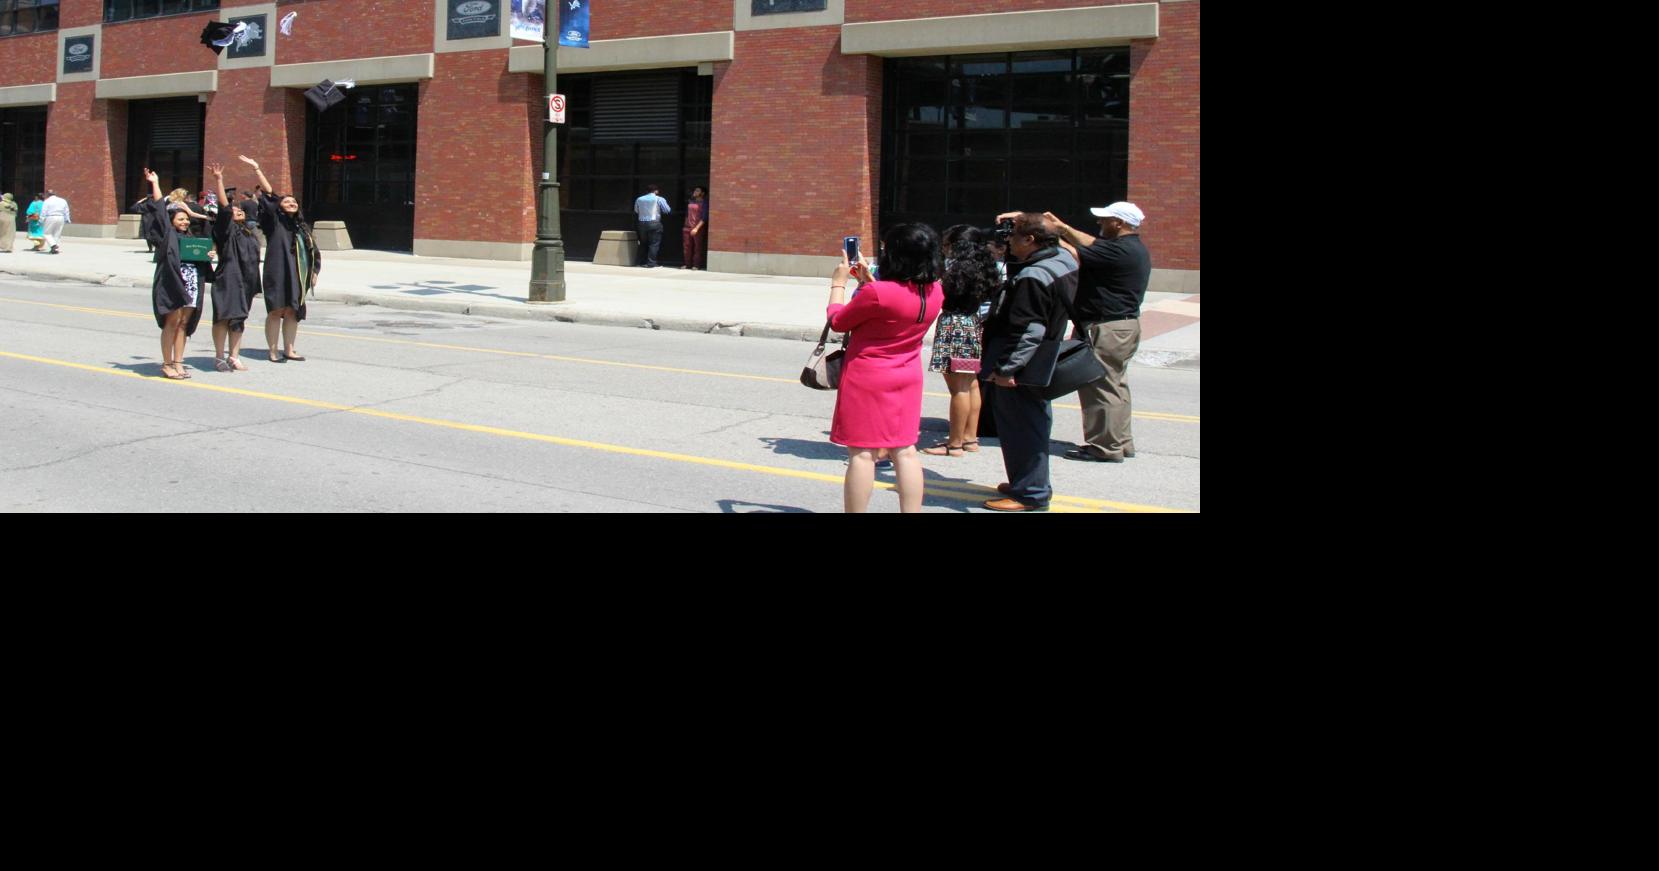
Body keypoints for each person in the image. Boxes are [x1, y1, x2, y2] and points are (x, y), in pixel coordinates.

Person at [826, 223, 944, 513]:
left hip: (869, 375)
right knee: (904, 450)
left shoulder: (880, 292)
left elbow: (839, 321)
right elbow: (889, 306)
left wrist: (838, 283)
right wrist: (868, 282)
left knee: (863, 454)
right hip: (907, 373)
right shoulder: (935, 290)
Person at [979, 212, 1079, 512]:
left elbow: (1027, 331)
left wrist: (1006, 369)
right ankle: (1025, 481)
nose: (1009, 241)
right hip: (1044, 356)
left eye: (1014, 236)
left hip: (1023, 364)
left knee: (1022, 428)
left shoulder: (1032, 277)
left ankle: (1031, 493)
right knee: (1033, 424)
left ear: (1030, 240)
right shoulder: (1063, 258)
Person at [1038, 202, 1151, 463]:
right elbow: (1089, 244)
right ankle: (1120, 442)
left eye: (1105, 220)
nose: (1100, 224)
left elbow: (1077, 251)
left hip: (1106, 327)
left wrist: (1047, 232)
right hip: (1120, 326)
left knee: (1099, 386)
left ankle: (1104, 447)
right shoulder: (1129, 247)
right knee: (1114, 385)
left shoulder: (1117, 252)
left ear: (1119, 223)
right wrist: (1063, 227)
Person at [921, 225, 999, 457]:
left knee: (958, 388)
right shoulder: (985, 267)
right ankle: (969, 438)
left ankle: (954, 443)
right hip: (972, 324)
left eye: (947, 244)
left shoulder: (955, 269)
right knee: (971, 383)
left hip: (953, 326)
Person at [240, 154, 320, 362]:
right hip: (277, 271)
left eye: (294, 201)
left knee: (294, 311)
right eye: (287, 201)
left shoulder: (302, 227)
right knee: (277, 310)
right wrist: (257, 169)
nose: (291, 203)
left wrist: (314, 272)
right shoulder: (274, 222)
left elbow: (314, 252)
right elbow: (270, 195)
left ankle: (290, 349)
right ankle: (273, 350)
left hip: (298, 274)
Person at [139, 168, 208, 381]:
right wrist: (155, 182)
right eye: (180, 219)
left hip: (191, 283)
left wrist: (208, 253)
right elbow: (160, 209)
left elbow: (200, 252)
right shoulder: (166, 234)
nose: (185, 222)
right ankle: (167, 363)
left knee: (183, 324)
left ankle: (179, 362)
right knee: (172, 321)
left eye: (187, 220)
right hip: (172, 282)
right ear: (171, 221)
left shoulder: (190, 237)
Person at [207, 163, 262, 372]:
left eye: (240, 210)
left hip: (246, 281)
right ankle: (219, 356)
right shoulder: (225, 230)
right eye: (235, 210)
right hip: (227, 279)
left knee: (239, 318)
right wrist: (219, 179)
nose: (238, 211)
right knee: (223, 317)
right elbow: (224, 207)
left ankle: (234, 356)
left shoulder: (249, 233)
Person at [633, 183, 670, 267]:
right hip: (654, 223)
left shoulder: (639, 199)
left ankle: (642, 262)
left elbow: (636, 210)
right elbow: (667, 210)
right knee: (654, 243)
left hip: (641, 223)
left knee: (643, 243)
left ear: (647, 191)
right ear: (656, 191)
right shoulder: (659, 199)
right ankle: (651, 263)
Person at [681, 186, 707, 270]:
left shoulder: (704, 203)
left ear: (702, 193)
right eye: (695, 190)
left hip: (697, 227)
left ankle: (696, 265)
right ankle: (687, 264)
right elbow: (686, 214)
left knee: (697, 247)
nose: (695, 191)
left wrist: (696, 228)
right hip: (687, 227)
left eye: (698, 190)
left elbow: (704, 217)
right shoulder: (690, 201)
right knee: (687, 247)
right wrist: (685, 226)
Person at [41, 189, 70, 254]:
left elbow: (43, 211)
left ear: (47, 194)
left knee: (46, 233)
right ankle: (56, 249)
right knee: (57, 234)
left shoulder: (47, 201)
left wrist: (41, 220)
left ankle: (53, 245)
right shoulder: (62, 200)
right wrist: (67, 218)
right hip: (61, 217)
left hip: (51, 216)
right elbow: (66, 210)